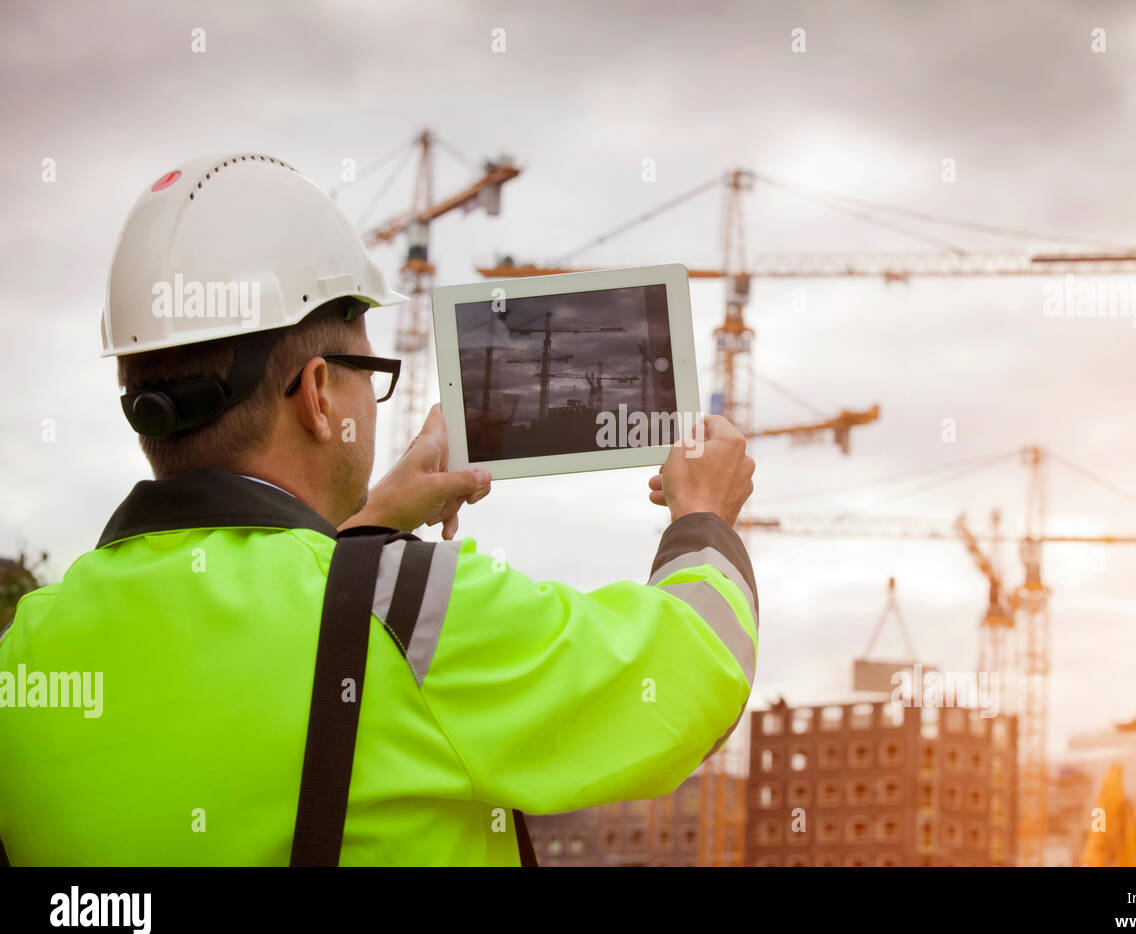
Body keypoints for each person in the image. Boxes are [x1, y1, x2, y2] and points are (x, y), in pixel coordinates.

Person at [0, 152, 758, 866]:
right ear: (321, 394)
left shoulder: (29, 646)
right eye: (373, 370)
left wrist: (366, 535)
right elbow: (688, 674)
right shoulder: (414, 611)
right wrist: (703, 516)